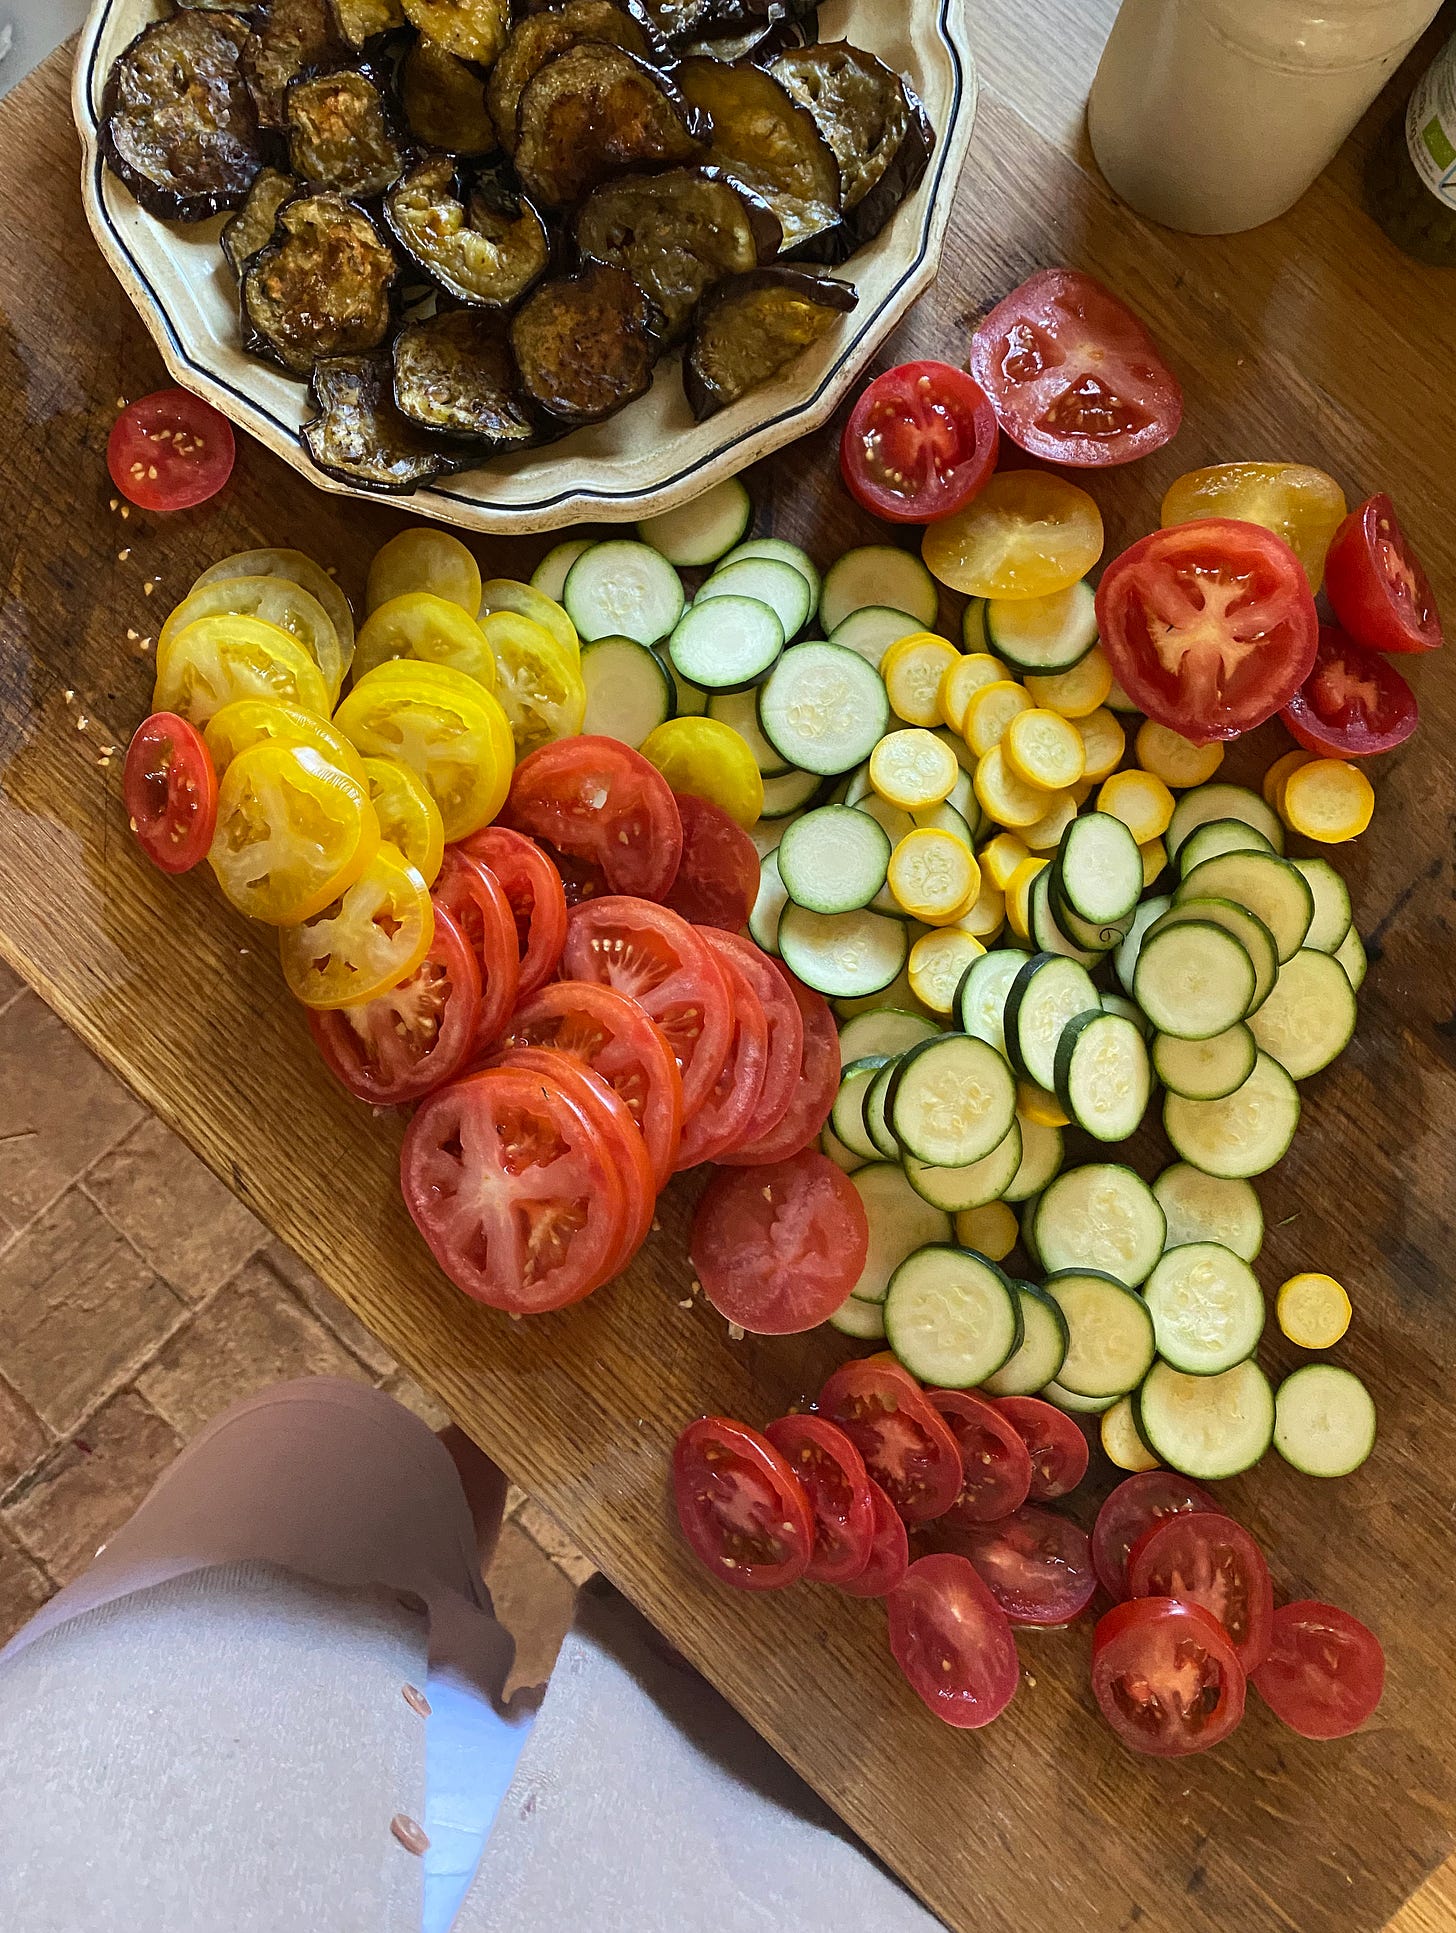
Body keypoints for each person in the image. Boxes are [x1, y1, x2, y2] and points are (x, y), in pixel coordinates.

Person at [0, 1377, 939, 1932]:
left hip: (113, 1810)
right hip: (722, 1874)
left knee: (341, 1478)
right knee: (821, 1711)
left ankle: (517, 1400)